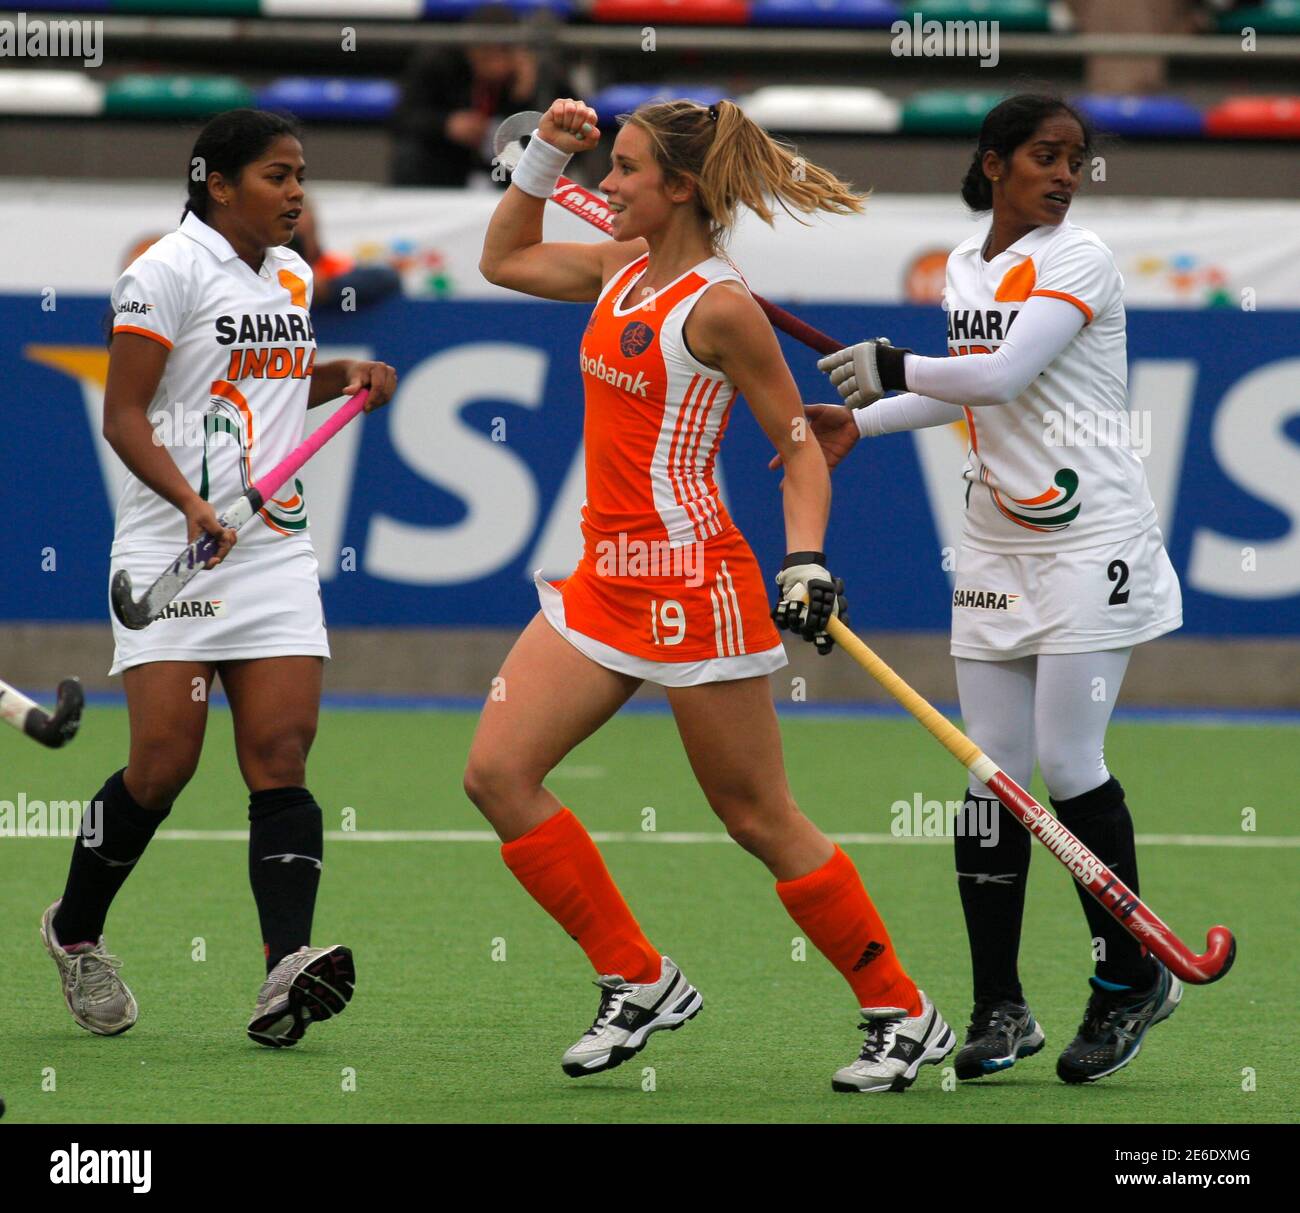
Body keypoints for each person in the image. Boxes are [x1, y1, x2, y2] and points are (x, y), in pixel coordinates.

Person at [468, 96, 954, 1093]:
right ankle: (637, 977)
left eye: (625, 170)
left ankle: (902, 1010)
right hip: (603, 577)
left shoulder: (719, 307)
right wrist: (542, 159)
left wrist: (804, 560)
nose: (604, 187)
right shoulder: (617, 265)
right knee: (496, 775)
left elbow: (800, 446)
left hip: (698, 584)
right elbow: (503, 261)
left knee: (755, 815)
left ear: (680, 188)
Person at [806, 94, 1185, 1084]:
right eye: (1043, 157)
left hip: (1090, 537)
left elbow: (1006, 373)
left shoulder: (1079, 259)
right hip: (993, 548)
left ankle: (1125, 981)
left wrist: (890, 362)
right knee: (991, 778)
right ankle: (998, 1005)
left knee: (1064, 761)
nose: (1063, 175)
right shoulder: (969, 267)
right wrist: (871, 417)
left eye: (1074, 158)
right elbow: (961, 384)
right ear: (992, 165)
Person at [41, 108, 397, 1048]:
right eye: (279, 176)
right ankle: (75, 932)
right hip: (175, 552)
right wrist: (193, 507)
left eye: (302, 175)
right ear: (218, 182)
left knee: (280, 753)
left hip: (272, 549)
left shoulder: (290, 272)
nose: (297, 193)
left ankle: (284, 970)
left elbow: (269, 376)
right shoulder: (161, 272)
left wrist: (341, 372)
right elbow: (125, 415)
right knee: (163, 764)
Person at [390, 4, 561, 187]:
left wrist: (523, 96)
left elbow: (555, 133)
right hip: (448, 161)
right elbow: (402, 118)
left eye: (502, 52)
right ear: (469, 48)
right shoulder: (439, 63)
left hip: (507, 173)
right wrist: (447, 124)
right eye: (485, 54)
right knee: (411, 152)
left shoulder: (533, 73)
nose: (494, 65)